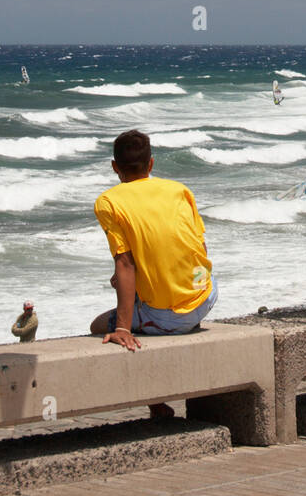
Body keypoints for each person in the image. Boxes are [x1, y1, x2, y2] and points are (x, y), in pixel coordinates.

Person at [90, 129, 217, 417]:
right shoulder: (179, 190)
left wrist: (121, 327)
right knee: (146, 297)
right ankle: (179, 316)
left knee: (98, 327)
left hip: (169, 316)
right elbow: (199, 248)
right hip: (207, 295)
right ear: (151, 164)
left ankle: (156, 403)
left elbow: (125, 264)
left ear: (114, 167)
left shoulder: (108, 202)